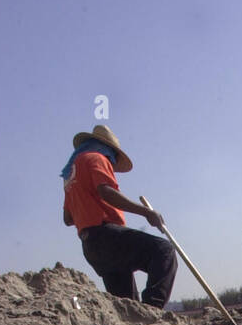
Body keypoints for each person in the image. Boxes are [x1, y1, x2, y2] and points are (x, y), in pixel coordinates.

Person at [61, 124, 177, 309]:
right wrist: (147, 212)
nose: (113, 165)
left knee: (127, 305)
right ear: (108, 150)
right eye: (114, 160)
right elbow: (106, 191)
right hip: (106, 236)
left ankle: (137, 324)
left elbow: (67, 219)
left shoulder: (70, 174)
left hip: (90, 245)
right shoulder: (96, 157)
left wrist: (85, 205)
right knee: (163, 251)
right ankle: (153, 310)